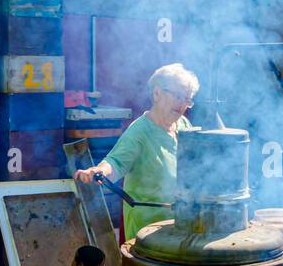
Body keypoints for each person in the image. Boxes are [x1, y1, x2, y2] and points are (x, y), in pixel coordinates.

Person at [74, 62, 198, 237]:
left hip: (179, 228)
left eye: (187, 99)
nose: (182, 104)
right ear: (157, 93)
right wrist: (98, 170)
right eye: (177, 96)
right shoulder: (139, 132)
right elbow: (115, 162)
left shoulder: (183, 125)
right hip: (148, 234)